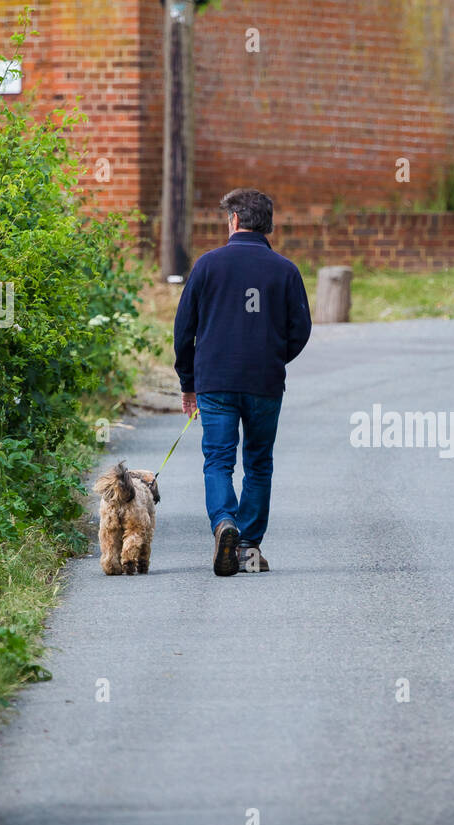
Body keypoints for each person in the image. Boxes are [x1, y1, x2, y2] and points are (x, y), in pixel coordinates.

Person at [173, 188, 312, 576]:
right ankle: (249, 549)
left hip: (215, 380)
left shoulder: (207, 265)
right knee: (258, 463)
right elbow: (300, 329)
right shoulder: (285, 270)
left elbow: (184, 330)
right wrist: (271, 357)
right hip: (265, 382)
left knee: (218, 460)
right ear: (267, 225)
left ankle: (224, 524)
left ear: (233, 220)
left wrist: (189, 382)